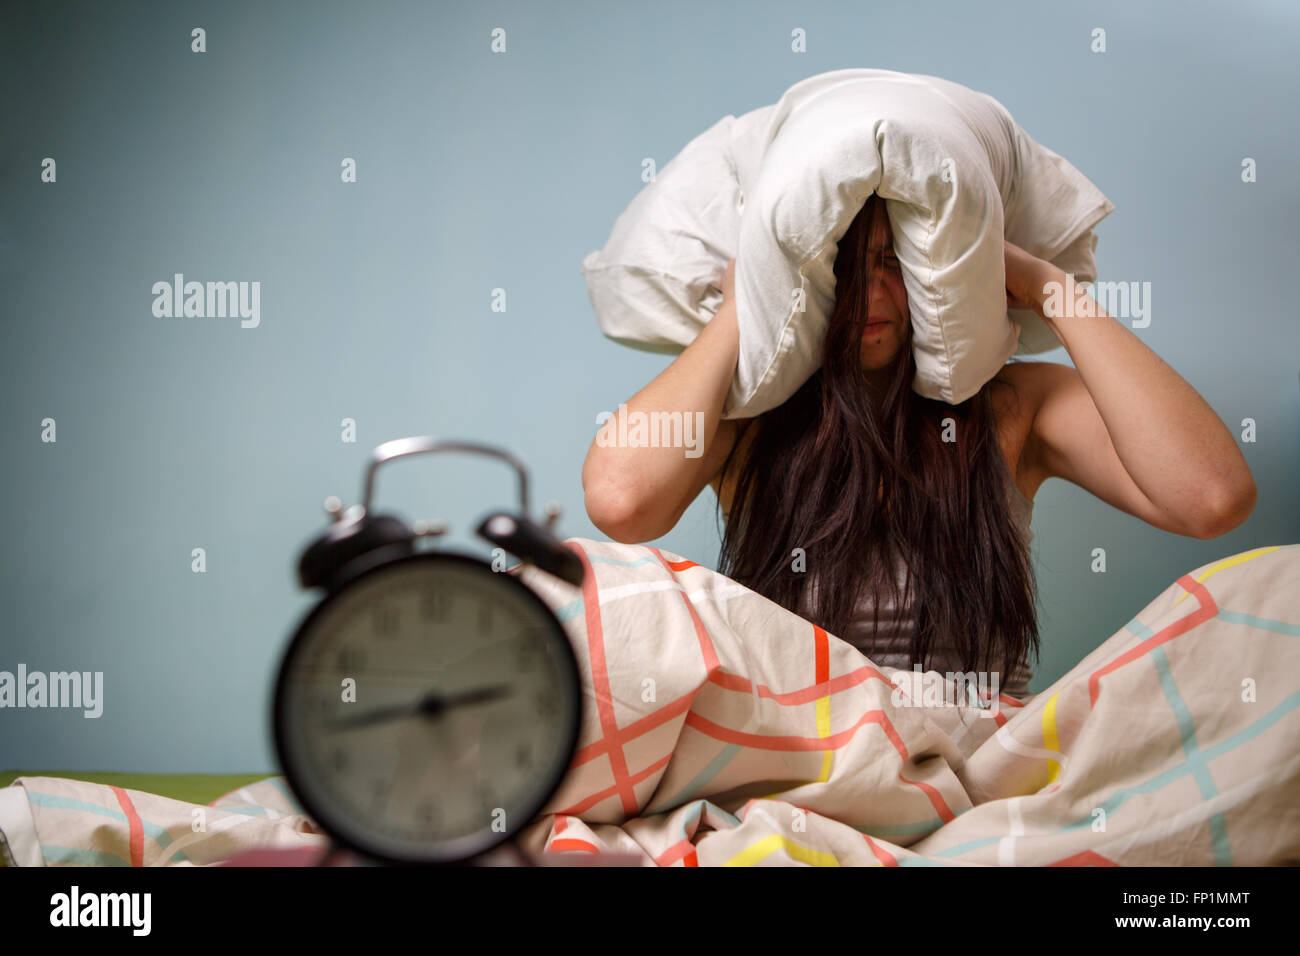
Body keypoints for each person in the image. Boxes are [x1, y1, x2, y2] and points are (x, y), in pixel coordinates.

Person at [580, 193, 1256, 698]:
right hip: (812, 784)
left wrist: (1049, 286)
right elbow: (620, 501)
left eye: (894, 263)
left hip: (982, 782)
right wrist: (742, 307)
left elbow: (1210, 498)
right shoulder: (752, 421)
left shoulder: (1012, 406)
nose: (871, 294)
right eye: (843, 268)